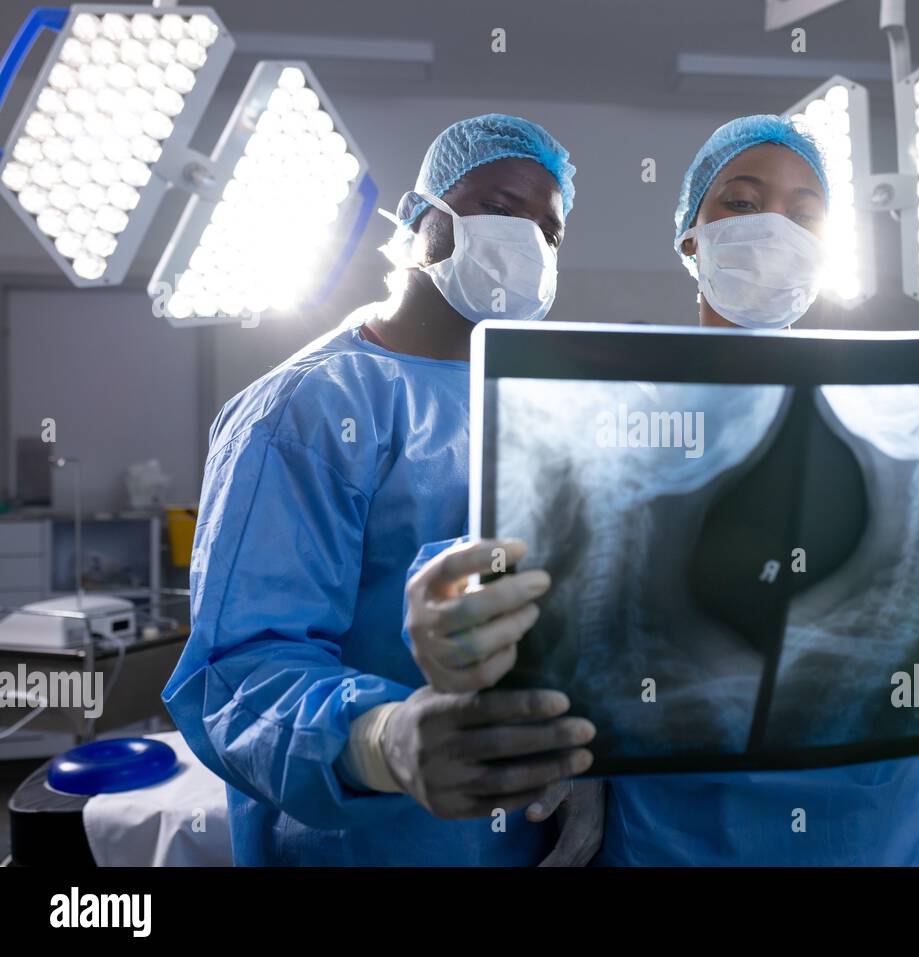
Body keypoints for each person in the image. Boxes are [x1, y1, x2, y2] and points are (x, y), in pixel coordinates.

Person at [581, 115, 919, 866]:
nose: (774, 228)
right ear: (689, 238)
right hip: (676, 839)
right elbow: (515, 554)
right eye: (740, 202)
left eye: (805, 213)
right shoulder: (613, 410)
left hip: (881, 838)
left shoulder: (910, 418)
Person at [163, 114, 603, 866]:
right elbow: (238, 675)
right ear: (418, 215)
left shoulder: (541, 406)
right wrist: (380, 741)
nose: (528, 239)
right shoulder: (303, 410)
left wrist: (594, 752)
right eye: (500, 206)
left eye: (550, 230)